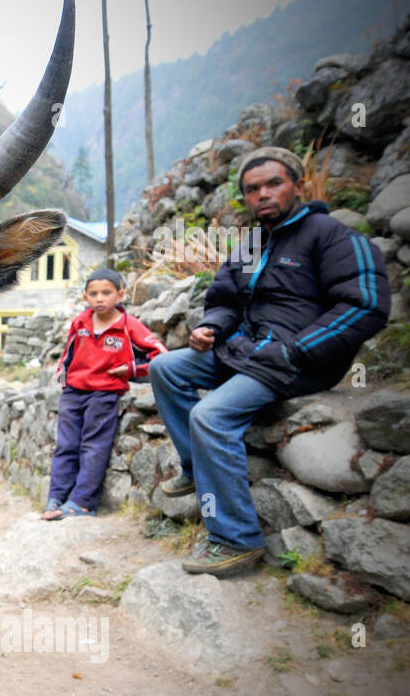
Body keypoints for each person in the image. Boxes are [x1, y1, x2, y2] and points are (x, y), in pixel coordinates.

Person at [148, 146, 390, 576]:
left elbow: (364, 304)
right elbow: (224, 299)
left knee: (210, 415)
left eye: (273, 184)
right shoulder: (252, 243)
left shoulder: (330, 235)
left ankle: (235, 539)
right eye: (252, 189)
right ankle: (194, 467)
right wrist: (213, 328)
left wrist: (299, 347)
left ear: (298, 186)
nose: (263, 194)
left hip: (295, 360)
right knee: (165, 367)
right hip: (247, 351)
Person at [43, 268, 167, 520]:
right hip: (73, 393)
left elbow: (160, 354)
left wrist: (131, 369)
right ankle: (56, 497)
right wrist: (61, 373)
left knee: (93, 446)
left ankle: (82, 502)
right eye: (93, 293)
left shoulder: (128, 326)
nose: (100, 298)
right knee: (66, 445)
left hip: (104, 394)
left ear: (120, 295)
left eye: (106, 292)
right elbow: (68, 354)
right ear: (86, 297)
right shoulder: (80, 322)